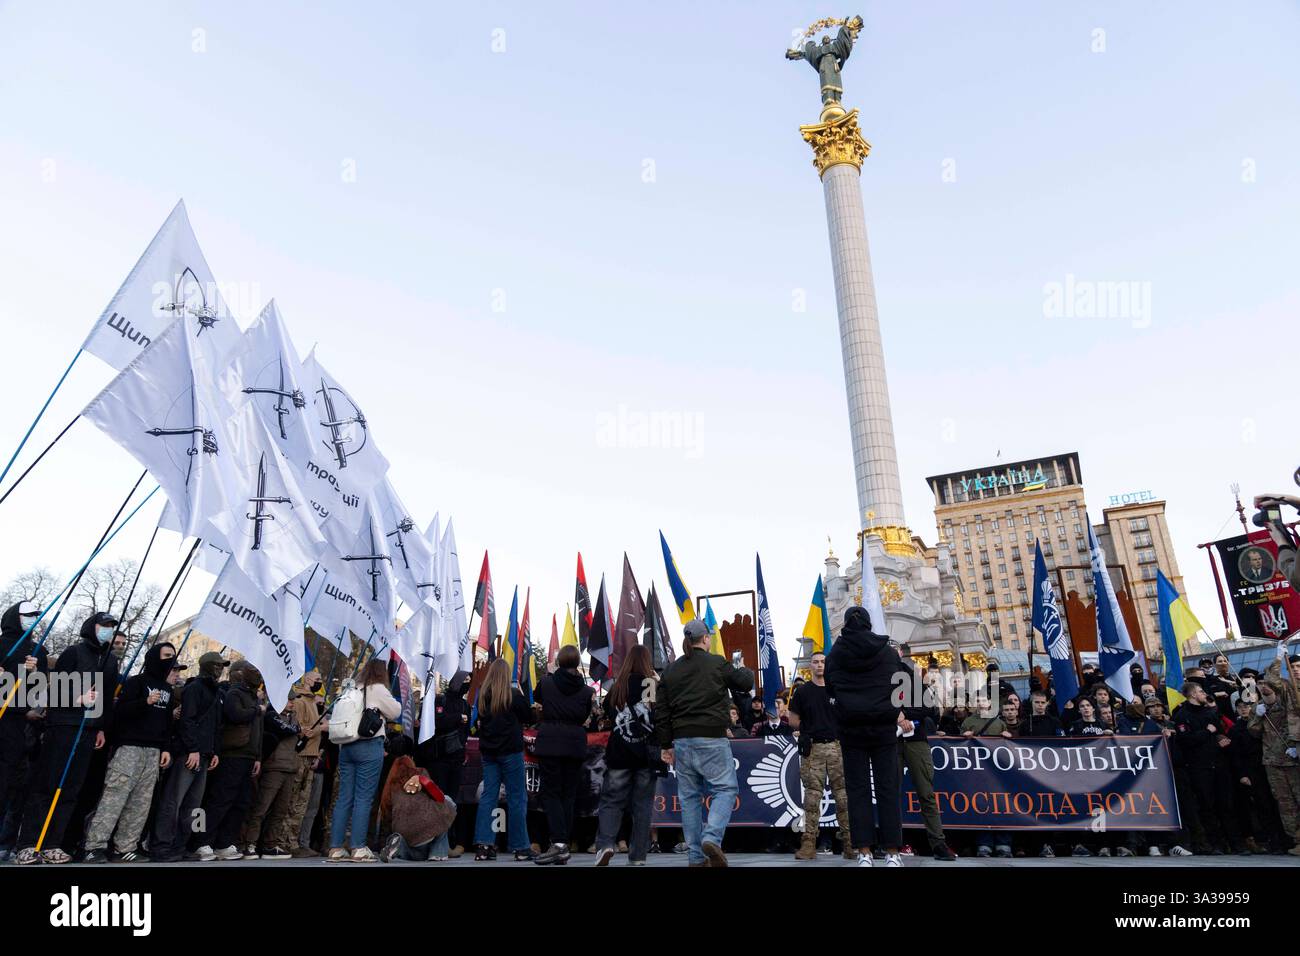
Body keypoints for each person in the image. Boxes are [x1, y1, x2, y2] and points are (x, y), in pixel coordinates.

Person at [12, 611, 119, 865]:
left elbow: (106, 697)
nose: (108, 630)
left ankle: (52, 844)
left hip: (89, 729)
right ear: (92, 627)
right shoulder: (74, 652)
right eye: (104, 625)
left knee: (71, 789)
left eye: (111, 626)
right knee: (47, 785)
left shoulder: (111, 661)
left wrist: (101, 727)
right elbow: (56, 689)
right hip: (63, 726)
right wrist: (77, 699)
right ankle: (28, 843)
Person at [656, 618, 754, 868]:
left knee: (689, 799)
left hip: (682, 740)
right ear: (706, 639)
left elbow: (662, 711)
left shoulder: (671, 670)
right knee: (725, 789)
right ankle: (711, 837)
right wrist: (741, 668)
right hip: (712, 737)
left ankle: (696, 858)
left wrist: (666, 744)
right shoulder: (717, 663)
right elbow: (745, 683)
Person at [824, 606, 908, 868]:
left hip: (852, 729)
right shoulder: (885, 651)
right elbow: (900, 683)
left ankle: (864, 853)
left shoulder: (836, 652)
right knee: (887, 789)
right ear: (869, 624)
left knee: (857, 791)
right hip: (883, 728)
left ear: (846, 623)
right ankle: (893, 853)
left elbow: (830, 686)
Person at [82, 643, 181, 863]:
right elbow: (120, 712)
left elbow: (166, 723)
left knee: (140, 804)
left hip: (154, 752)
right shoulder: (136, 682)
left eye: (173, 657)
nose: (171, 661)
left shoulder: (167, 690)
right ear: (155, 658)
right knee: (114, 798)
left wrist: (165, 748)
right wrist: (144, 702)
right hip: (130, 749)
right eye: (166, 656)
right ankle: (94, 846)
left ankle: (125, 847)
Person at [151, 651, 226, 862]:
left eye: (223, 666)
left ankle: (181, 845)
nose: (221, 669)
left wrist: (214, 752)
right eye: (217, 665)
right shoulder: (194, 689)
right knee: (173, 801)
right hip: (189, 753)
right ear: (208, 666)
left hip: (205, 754)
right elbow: (188, 721)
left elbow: (217, 727)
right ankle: (162, 846)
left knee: (193, 805)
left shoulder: (217, 693)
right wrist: (193, 749)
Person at [327, 659, 400, 862]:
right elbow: (395, 711)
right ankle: (358, 847)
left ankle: (335, 848)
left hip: (346, 746)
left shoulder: (353, 687)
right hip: (368, 745)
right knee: (364, 798)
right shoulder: (377, 688)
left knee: (344, 798)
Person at [594, 645, 659, 867]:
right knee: (642, 807)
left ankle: (605, 846)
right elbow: (653, 712)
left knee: (611, 802)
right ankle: (638, 856)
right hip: (645, 755)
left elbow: (607, 709)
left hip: (619, 754)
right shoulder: (650, 684)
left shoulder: (618, 685)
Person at [787, 650, 856, 861]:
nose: (819, 665)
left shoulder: (838, 689)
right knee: (812, 798)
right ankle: (808, 844)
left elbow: (848, 716)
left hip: (837, 748)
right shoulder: (802, 692)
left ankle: (849, 844)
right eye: (815, 662)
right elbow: (792, 720)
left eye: (823, 662)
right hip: (813, 749)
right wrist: (807, 730)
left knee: (843, 798)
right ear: (810, 665)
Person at [530, 644, 594, 865]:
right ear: (577, 663)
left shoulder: (547, 683)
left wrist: (549, 673)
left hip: (550, 742)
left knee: (551, 793)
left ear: (559, 662)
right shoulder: (588, 691)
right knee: (568, 794)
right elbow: (584, 715)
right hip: (575, 743)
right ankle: (563, 844)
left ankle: (558, 843)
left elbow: (537, 698)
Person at [195, 660, 264, 862]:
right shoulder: (234, 693)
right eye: (252, 671)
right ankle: (200, 841)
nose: (257, 676)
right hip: (232, 755)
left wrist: (258, 757)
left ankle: (224, 843)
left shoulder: (252, 696)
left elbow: (257, 732)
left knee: (241, 803)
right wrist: (256, 710)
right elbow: (235, 715)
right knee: (219, 800)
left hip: (248, 757)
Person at [471, 659, 535, 861]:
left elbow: (478, 721)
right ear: (507, 676)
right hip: (511, 752)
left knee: (489, 796)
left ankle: (483, 845)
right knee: (517, 798)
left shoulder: (483, 696)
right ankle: (520, 847)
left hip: (489, 753)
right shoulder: (513, 695)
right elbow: (529, 716)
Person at [238, 691, 304, 860]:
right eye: (288, 699)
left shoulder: (293, 718)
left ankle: (270, 843)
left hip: (290, 767)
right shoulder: (271, 715)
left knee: (280, 810)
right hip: (274, 767)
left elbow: (296, 740)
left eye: (292, 700)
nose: (291, 703)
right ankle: (249, 843)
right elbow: (286, 731)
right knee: (261, 807)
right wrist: (297, 729)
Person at [413, 670, 471, 858]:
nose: (467, 683)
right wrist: (457, 719)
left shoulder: (465, 705)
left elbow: (466, 731)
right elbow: (433, 723)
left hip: (456, 760)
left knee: (451, 802)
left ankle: (447, 843)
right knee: (437, 799)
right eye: (465, 680)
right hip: (438, 760)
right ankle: (432, 843)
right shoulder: (439, 700)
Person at [0, 602, 48, 828]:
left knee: (9, 779)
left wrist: (35, 673)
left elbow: (41, 689)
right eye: (28, 615)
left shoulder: (38, 650)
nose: (33, 619)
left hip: (17, 722)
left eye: (36, 615)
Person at [1248, 657, 1300, 855]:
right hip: (1273, 761)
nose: (1264, 687)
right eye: (1260, 684)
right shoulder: (1258, 707)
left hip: (1293, 757)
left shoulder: (1289, 697)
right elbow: (1253, 731)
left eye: (1266, 684)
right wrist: (1259, 716)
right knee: (1285, 802)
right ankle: (1297, 839)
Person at [1173, 681, 1231, 854]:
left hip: (1218, 764)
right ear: (1192, 695)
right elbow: (1186, 740)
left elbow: (1219, 730)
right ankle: (1214, 843)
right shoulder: (1182, 716)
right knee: (1207, 805)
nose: (1204, 693)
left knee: (1226, 804)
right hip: (1199, 767)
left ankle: (1233, 841)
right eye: (1200, 691)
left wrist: (1220, 737)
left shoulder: (1210, 712)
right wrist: (1207, 732)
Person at [277, 670, 325, 859]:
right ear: (308, 681)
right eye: (317, 680)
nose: (320, 683)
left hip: (310, 756)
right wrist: (321, 727)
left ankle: (294, 840)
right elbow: (303, 730)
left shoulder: (313, 702)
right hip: (300, 756)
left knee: (302, 803)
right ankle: (284, 841)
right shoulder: (300, 701)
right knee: (293, 800)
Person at [377, 754, 456, 863]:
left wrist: (382, 842)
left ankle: (399, 845)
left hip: (404, 831)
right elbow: (439, 797)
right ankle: (437, 854)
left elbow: (387, 819)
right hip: (428, 825)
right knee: (447, 804)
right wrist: (421, 779)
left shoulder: (391, 786)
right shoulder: (420, 772)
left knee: (414, 852)